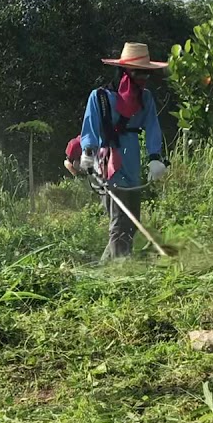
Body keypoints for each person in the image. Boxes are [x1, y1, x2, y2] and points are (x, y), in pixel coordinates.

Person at [67, 42, 169, 261]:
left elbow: (152, 126)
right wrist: (88, 153)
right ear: (124, 71)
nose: (142, 77)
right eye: (137, 71)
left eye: (145, 73)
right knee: (119, 221)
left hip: (132, 160)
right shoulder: (100, 97)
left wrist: (154, 157)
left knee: (131, 221)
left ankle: (102, 269)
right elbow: (90, 128)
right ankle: (121, 271)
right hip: (108, 163)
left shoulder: (146, 98)